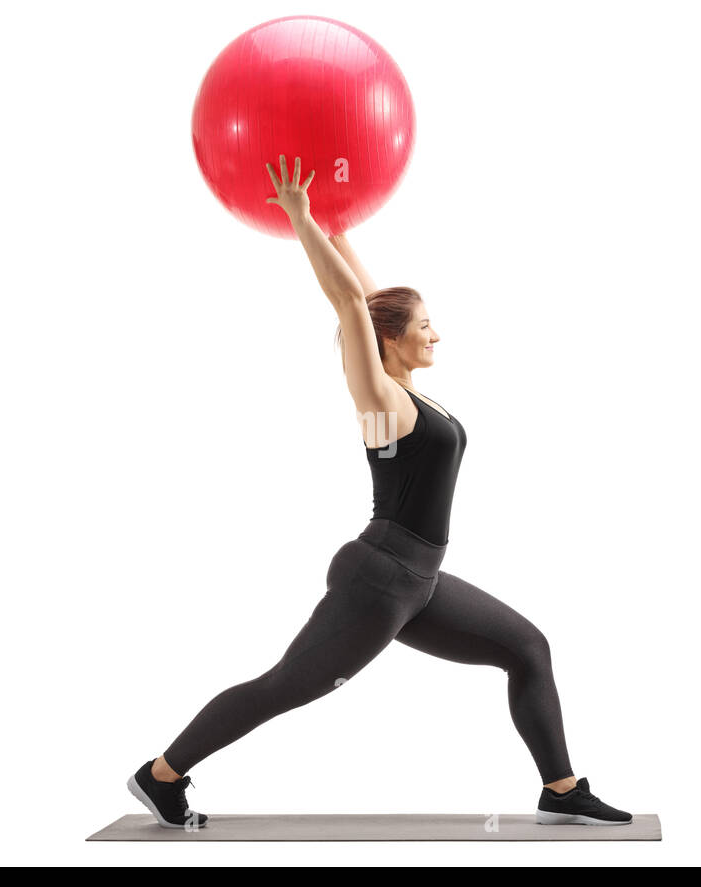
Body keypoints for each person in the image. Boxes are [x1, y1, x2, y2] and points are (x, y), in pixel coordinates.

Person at [128, 155, 632, 829]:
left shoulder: (410, 394)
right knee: (285, 687)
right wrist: (302, 221)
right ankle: (162, 774)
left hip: (417, 579)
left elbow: (364, 300)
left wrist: (337, 227)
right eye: (424, 325)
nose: (436, 333)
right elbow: (348, 307)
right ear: (392, 343)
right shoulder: (380, 400)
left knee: (527, 648)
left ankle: (561, 787)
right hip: (381, 581)